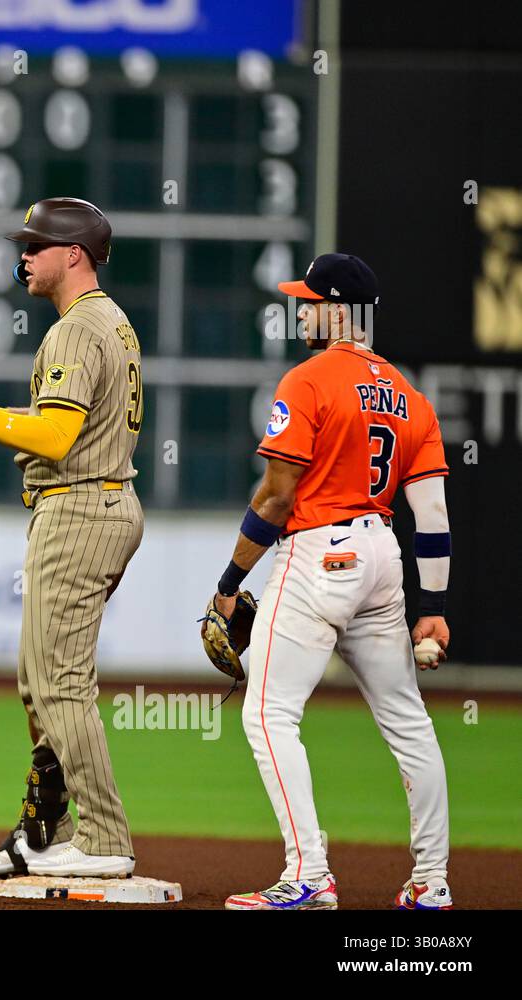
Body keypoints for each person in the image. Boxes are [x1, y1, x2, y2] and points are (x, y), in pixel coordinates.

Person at [0, 197, 145, 879]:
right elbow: (58, 425)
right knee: (39, 680)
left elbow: (56, 435)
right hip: (95, 502)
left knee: (60, 683)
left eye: (37, 245)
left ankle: (103, 838)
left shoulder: (76, 328)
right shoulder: (111, 323)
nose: (25, 254)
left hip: (81, 509)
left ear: (74, 254)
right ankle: (49, 830)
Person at [213, 253, 453, 910]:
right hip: (384, 557)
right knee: (409, 723)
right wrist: (432, 606)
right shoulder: (409, 395)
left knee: (267, 714)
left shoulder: (308, 380)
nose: (301, 310)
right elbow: (431, 516)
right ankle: (432, 885)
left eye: (310, 301)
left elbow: (276, 497)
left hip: (321, 552)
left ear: (338, 311)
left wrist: (231, 578)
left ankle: (310, 873)